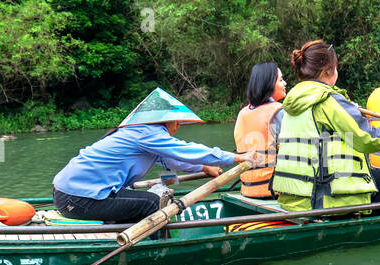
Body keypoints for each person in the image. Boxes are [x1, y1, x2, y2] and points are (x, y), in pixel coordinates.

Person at [52, 88, 258, 224]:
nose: (177, 129)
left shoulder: (145, 136)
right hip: (78, 198)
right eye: (177, 123)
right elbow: (185, 150)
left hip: (70, 194)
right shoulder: (147, 133)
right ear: (165, 121)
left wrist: (205, 168)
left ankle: (124, 229)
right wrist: (236, 157)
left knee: (148, 199)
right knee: (151, 202)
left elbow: (173, 161)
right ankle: (155, 246)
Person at [272, 40, 380, 213]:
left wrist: (351, 111)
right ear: (328, 70)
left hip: (293, 195)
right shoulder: (328, 100)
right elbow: (366, 138)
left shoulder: (292, 102)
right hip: (322, 198)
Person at [234, 62, 286, 200]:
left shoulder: (243, 113)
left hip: (247, 189)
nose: (285, 83)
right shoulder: (278, 112)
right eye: (281, 80)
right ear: (269, 84)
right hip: (275, 191)